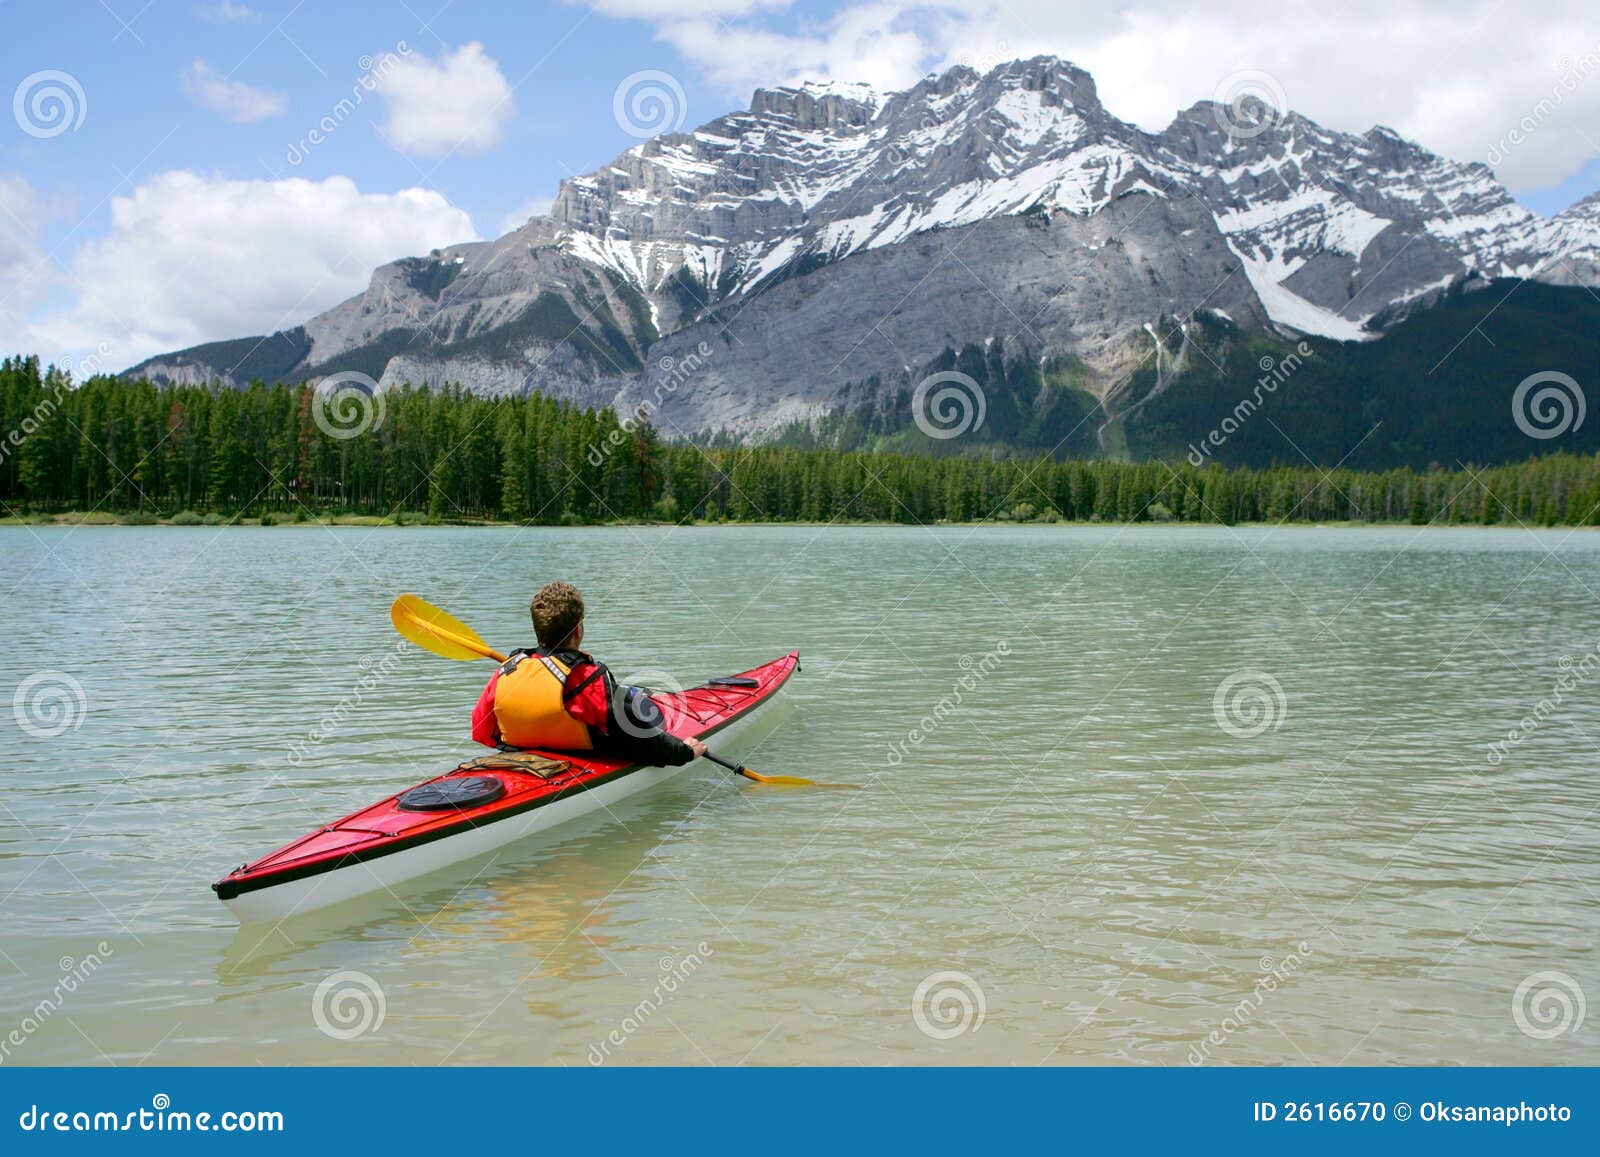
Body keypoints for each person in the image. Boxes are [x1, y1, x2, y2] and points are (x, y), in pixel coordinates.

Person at [471, 581, 707, 766]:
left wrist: (531, 738)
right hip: (580, 761)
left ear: (537, 628)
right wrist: (684, 752)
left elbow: (481, 732)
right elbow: (640, 738)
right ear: (578, 629)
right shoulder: (587, 678)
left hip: (520, 761)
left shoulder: (506, 671)